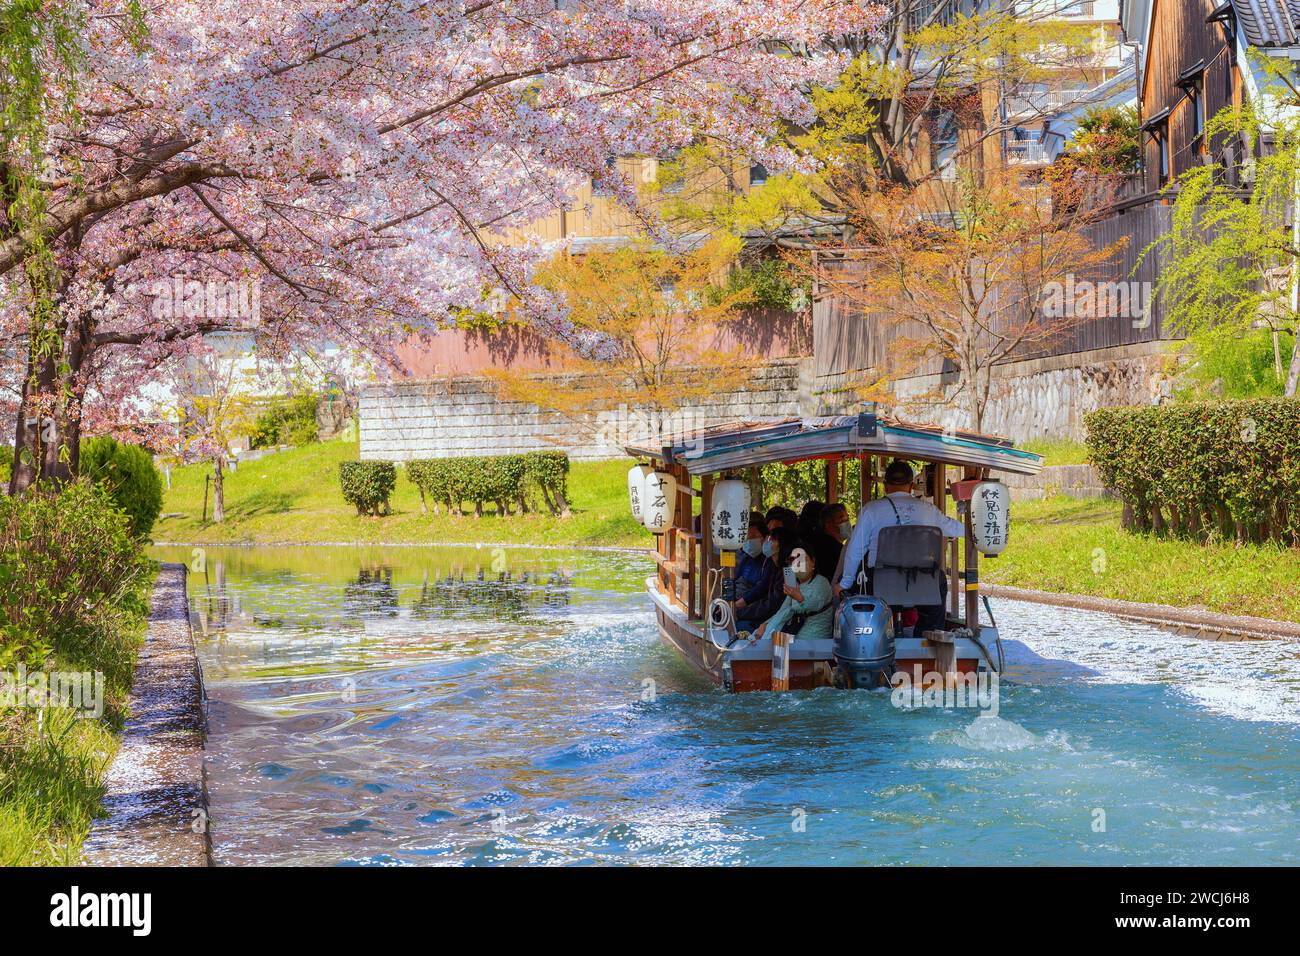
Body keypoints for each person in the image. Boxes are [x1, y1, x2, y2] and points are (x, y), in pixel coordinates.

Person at [835, 460, 965, 634]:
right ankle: (929, 637)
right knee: (939, 580)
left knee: (853, 583)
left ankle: (872, 635)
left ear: (885, 486)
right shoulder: (929, 510)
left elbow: (854, 551)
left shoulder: (871, 510)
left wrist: (844, 584)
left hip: (880, 585)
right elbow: (959, 529)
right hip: (922, 584)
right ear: (911, 486)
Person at [752, 547, 833, 642]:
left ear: (813, 562)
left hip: (813, 642)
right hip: (794, 637)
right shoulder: (797, 585)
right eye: (793, 560)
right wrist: (765, 624)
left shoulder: (821, 582)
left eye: (803, 559)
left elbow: (816, 603)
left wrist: (800, 598)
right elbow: (782, 611)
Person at [734, 525, 797, 632]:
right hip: (767, 618)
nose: (767, 542)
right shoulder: (770, 563)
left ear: (781, 545)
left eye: (772, 540)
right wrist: (738, 605)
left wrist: (740, 613)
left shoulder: (789, 572)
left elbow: (774, 604)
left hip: (778, 622)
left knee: (738, 627)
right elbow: (762, 588)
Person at [808, 501, 848, 589]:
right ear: (828, 524)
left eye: (847, 519)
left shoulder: (839, 547)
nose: (846, 523)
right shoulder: (828, 548)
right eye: (841, 519)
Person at [734, 512, 769, 602]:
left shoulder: (770, 562)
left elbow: (762, 589)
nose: (749, 542)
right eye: (747, 539)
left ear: (765, 538)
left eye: (754, 537)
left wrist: (741, 604)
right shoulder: (745, 559)